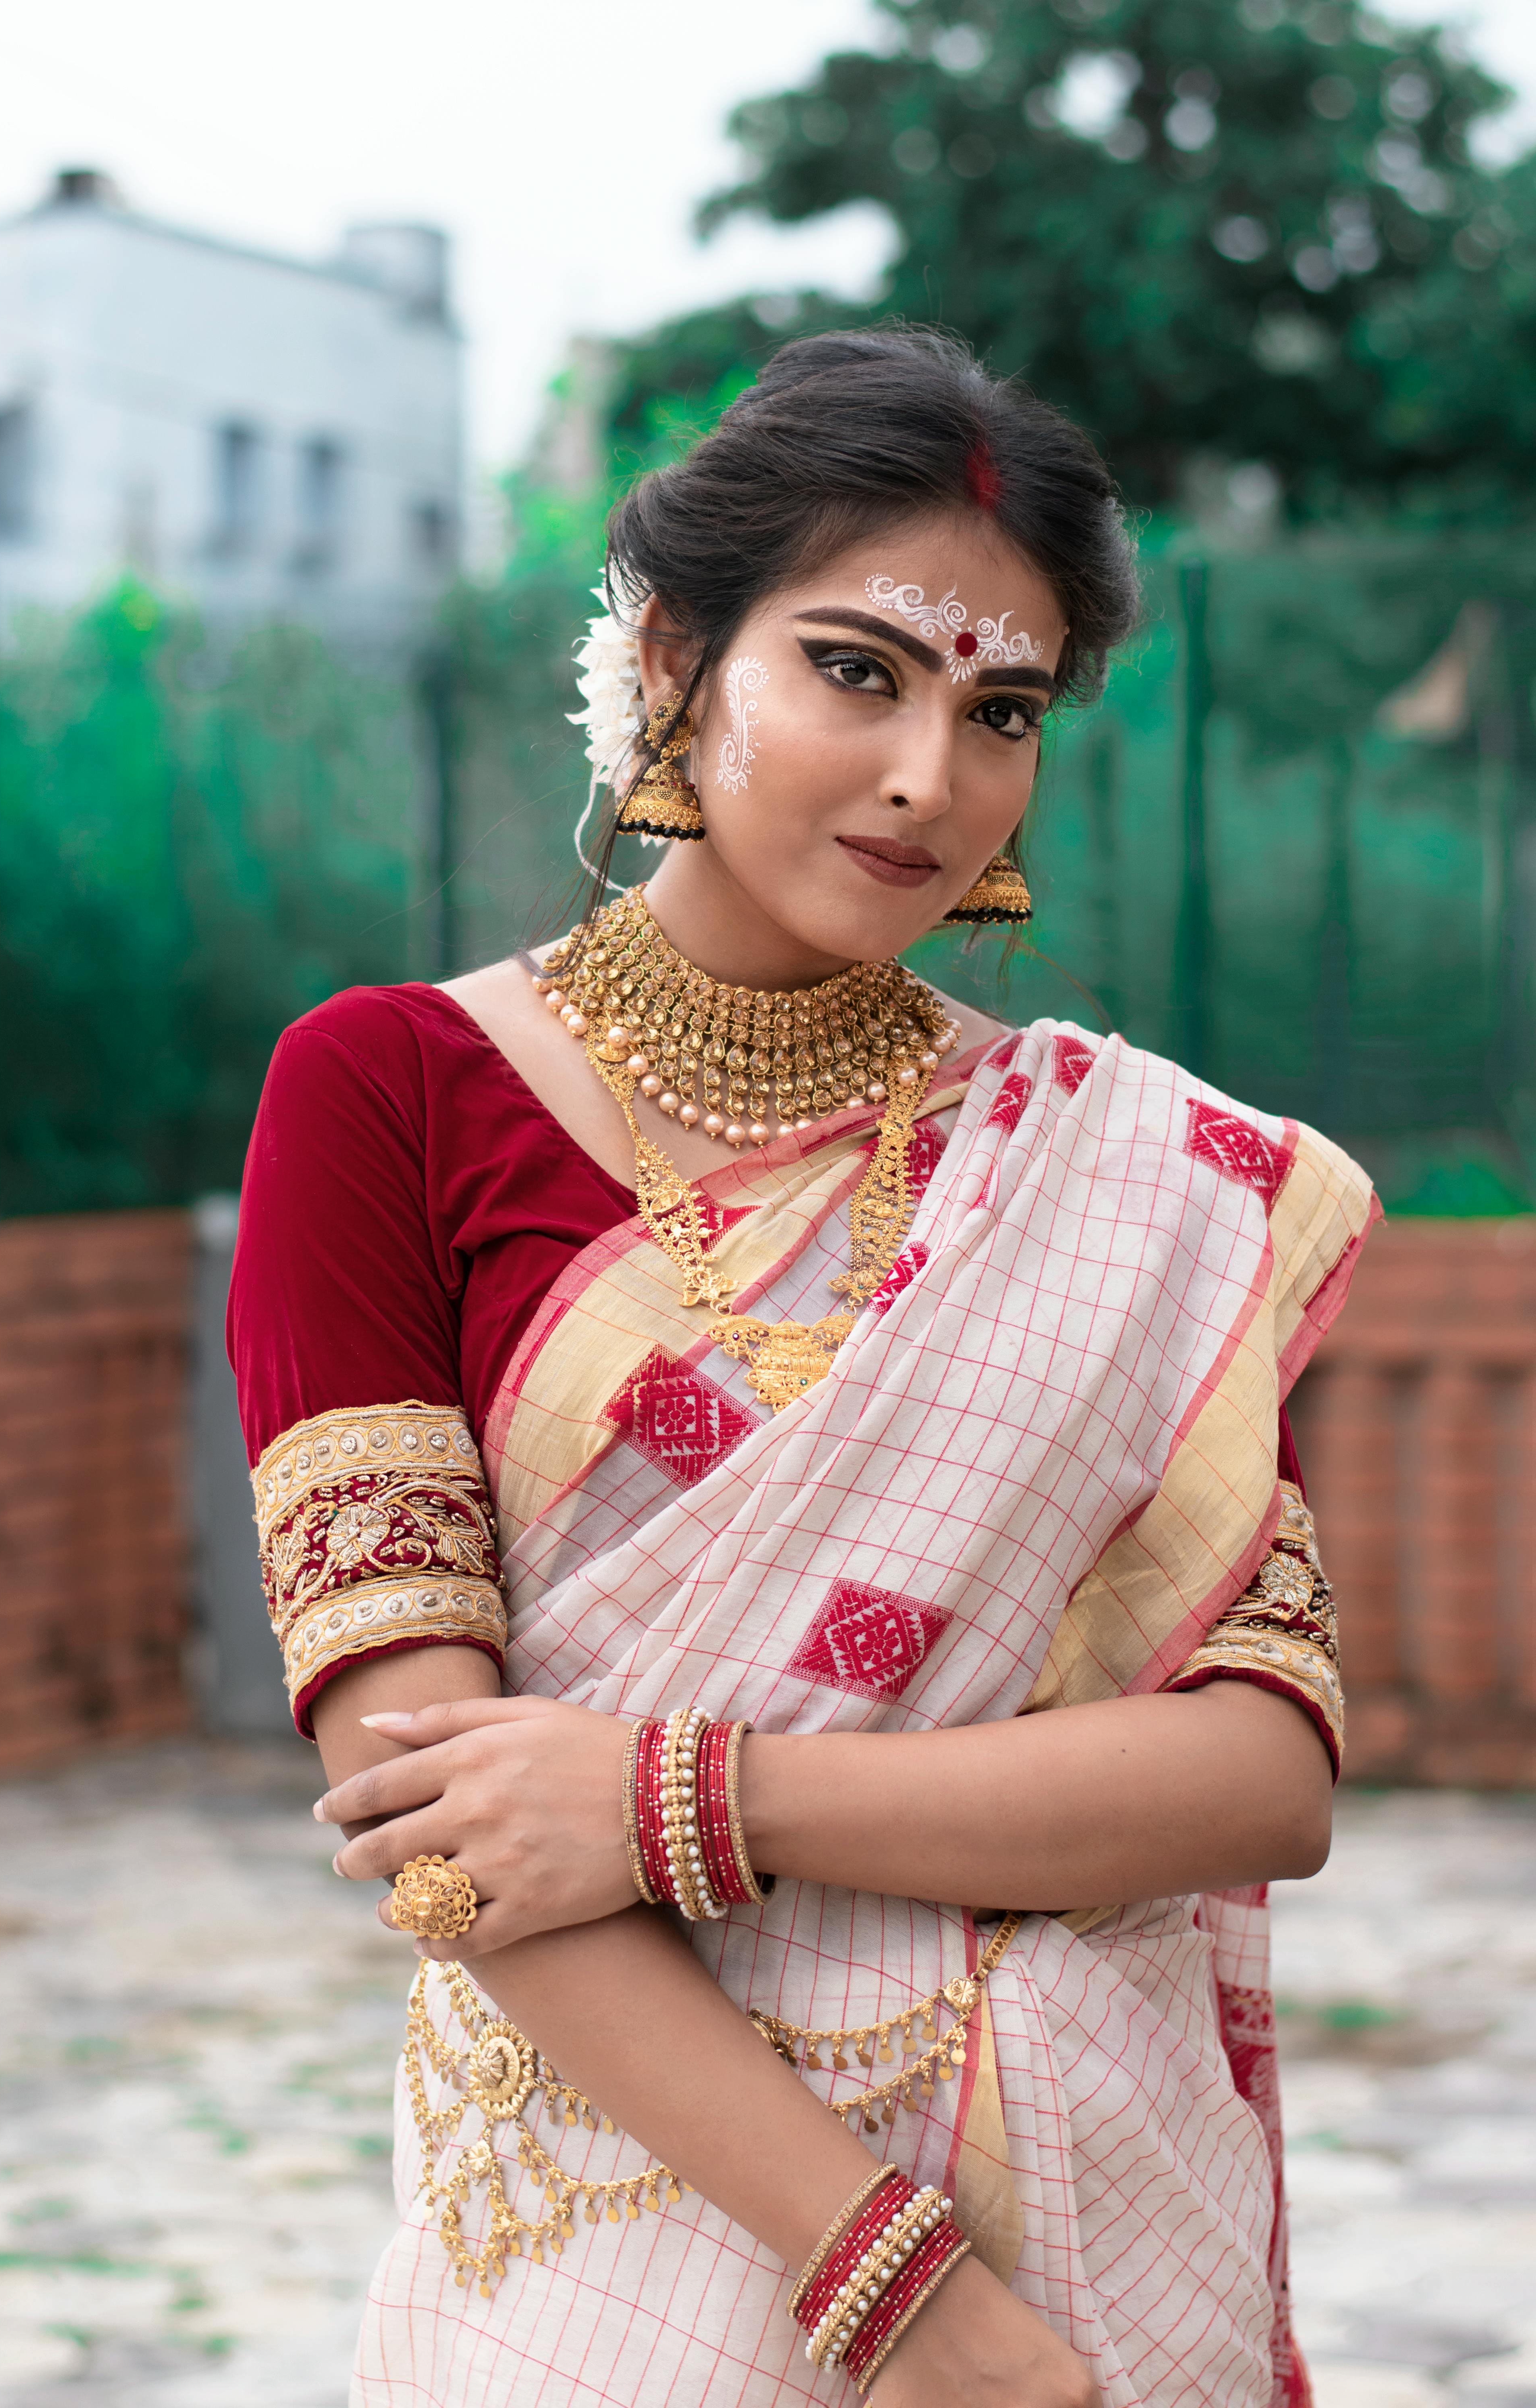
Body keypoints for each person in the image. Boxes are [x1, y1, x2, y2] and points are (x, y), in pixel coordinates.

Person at [229, 327, 1369, 2408]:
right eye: (859, 668)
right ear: (672, 660)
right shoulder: (389, 1094)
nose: (932, 774)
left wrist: (691, 1796)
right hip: (623, 2231)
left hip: (1087, 2206)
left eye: (999, 708)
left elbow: (1264, 1773)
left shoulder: (1127, 1182)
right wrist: (912, 2302)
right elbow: (435, 1808)